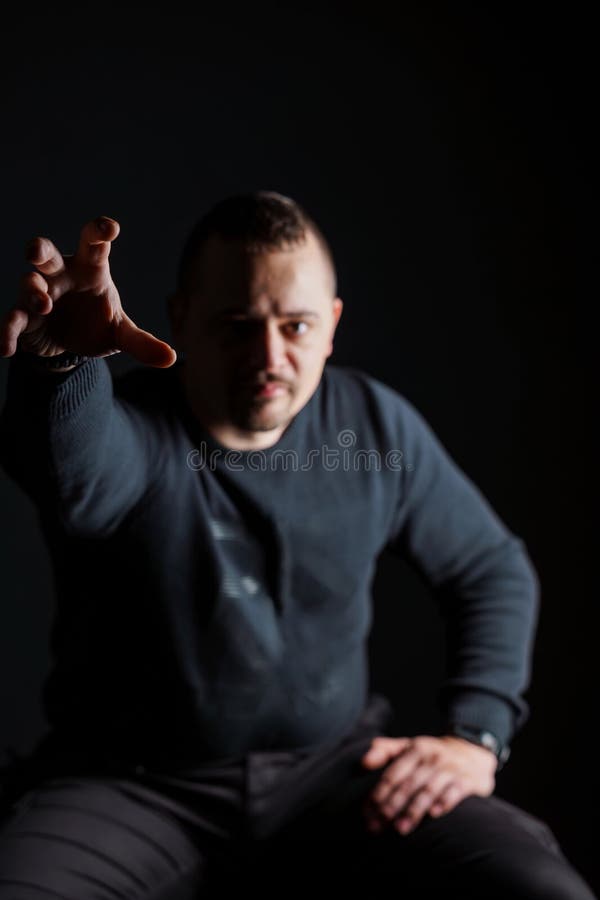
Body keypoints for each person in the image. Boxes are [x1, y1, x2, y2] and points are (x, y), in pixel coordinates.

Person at [0, 191, 595, 900]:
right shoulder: (135, 432)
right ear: (182, 317)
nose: (270, 356)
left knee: (538, 888)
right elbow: (77, 476)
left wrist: (477, 736)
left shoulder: (373, 427)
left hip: (333, 775)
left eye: (297, 325)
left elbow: (490, 566)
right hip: (130, 787)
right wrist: (58, 365)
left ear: (332, 326)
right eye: (238, 325)